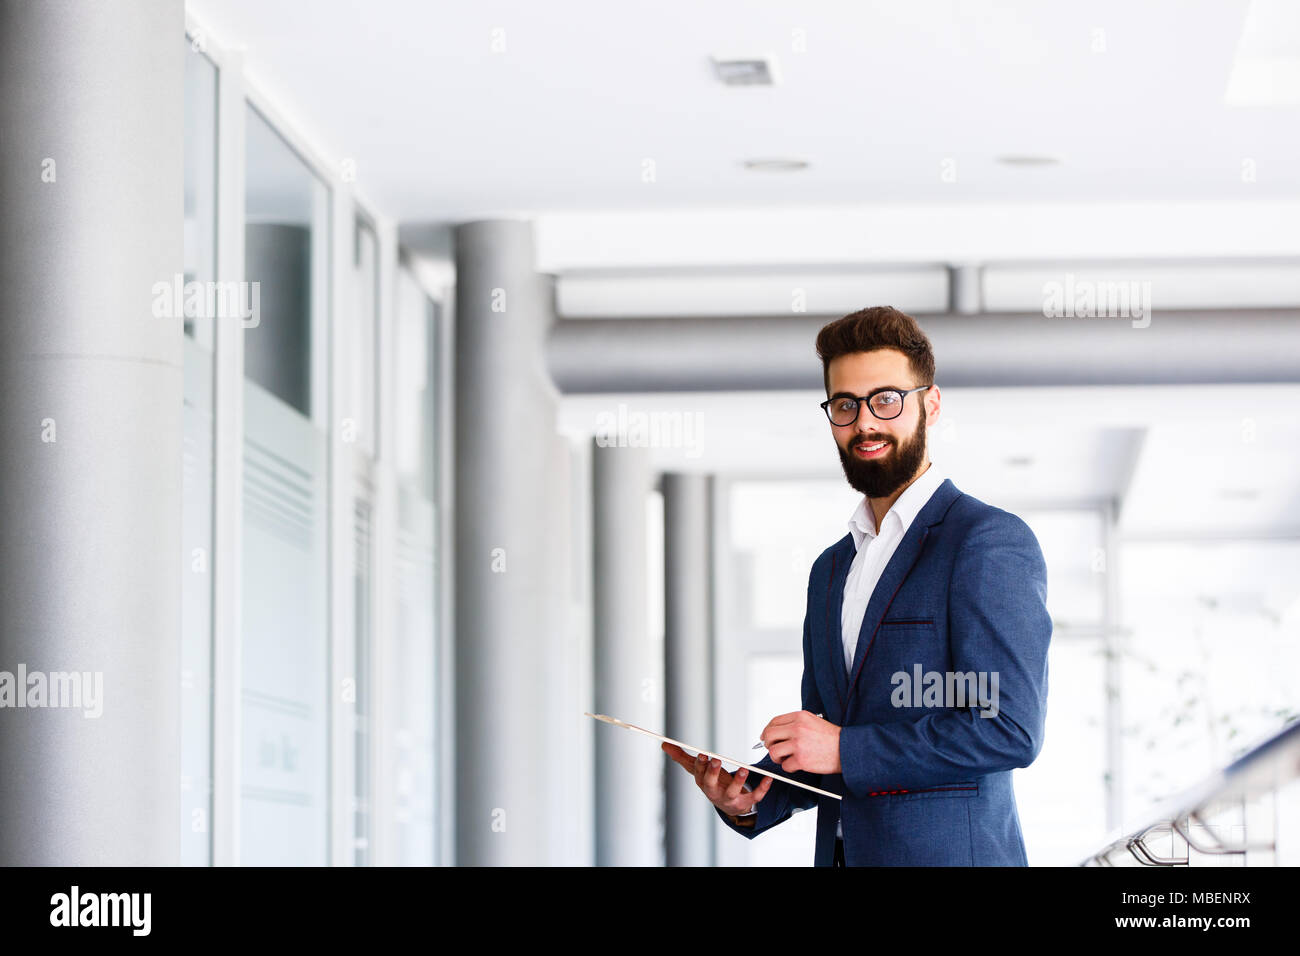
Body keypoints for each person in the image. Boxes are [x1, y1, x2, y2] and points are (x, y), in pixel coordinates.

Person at [663, 305, 1052, 866]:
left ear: (930, 404)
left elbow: (1008, 729)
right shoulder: (830, 570)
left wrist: (841, 747)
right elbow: (829, 741)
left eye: (885, 399)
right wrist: (752, 797)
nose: (865, 422)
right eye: (845, 405)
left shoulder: (985, 541)